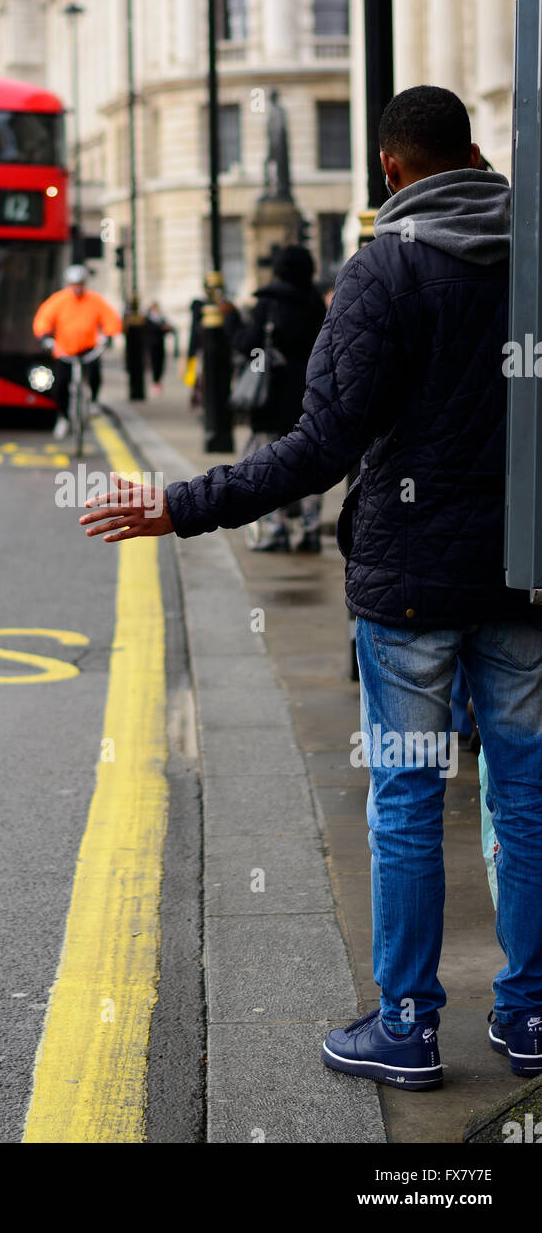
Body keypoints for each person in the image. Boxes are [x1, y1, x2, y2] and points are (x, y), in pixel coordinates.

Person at [79, 85, 542, 1089]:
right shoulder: (533, 262)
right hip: (520, 580)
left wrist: (181, 505)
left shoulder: (380, 274)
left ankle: (409, 1027)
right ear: (472, 150)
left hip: (410, 584)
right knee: (526, 795)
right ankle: (531, 1013)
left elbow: (315, 447)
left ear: (387, 171)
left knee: (410, 799)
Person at [224, 246, 326, 551]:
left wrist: (231, 324)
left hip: (272, 399)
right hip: (310, 396)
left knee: (269, 463)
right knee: (310, 463)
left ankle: (276, 529)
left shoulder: (267, 302)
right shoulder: (315, 303)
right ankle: (310, 530)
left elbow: (247, 345)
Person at [33, 265, 122, 440]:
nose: (77, 287)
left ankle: (94, 402)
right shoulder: (58, 300)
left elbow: (110, 318)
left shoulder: (95, 301)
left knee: (95, 374)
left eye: (80, 284)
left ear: (85, 284)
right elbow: (43, 318)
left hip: (88, 349)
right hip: (64, 351)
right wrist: (44, 336)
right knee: (59, 386)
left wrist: (110, 335)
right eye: (74, 284)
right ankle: (64, 418)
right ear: (68, 284)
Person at [143, 301, 173, 395]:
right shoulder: (147, 319)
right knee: (153, 364)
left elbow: (169, 328)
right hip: (151, 345)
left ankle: (158, 382)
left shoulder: (161, 318)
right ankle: (155, 383)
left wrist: (166, 329)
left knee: (160, 364)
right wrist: (160, 328)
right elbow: (148, 330)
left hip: (160, 345)